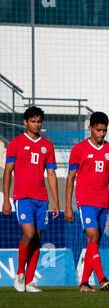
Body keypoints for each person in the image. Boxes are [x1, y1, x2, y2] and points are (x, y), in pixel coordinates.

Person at [64, 111, 109, 292]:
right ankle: (102, 278)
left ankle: (84, 283)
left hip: (103, 202)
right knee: (93, 236)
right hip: (85, 201)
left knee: (94, 243)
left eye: (104, 131)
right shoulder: (78, 149)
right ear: (90, 128)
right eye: (98, 130)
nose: (101, 134)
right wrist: (68, 205)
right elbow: (70, 178)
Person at [3, 105, 60, 293]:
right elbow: (8, 173)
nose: (36, 124)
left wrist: (56, 201)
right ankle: (19, 273)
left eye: (38, 121)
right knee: (28, 234)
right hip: (23, 197)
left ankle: (29, 280)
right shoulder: (15, 144)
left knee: (37, 237)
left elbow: (51, 174)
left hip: (42, 199)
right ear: (25, 122)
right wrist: (6, 199)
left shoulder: (48, 146)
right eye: (33, 121)